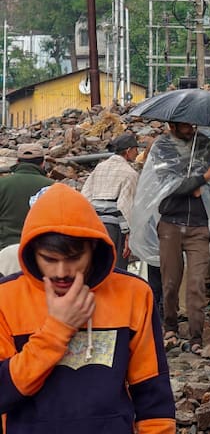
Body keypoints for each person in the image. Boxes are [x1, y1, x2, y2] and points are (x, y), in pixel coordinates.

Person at [0, 183, 175, 433]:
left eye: (73, 258)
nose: (62, 272)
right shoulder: (6, 298)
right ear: (31, 252)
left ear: (93, 248)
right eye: (49, 259)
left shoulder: (133, 294)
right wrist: (57, 329)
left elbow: (151, 391)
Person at [129, 121, 210, 353]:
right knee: (170, 282)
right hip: (170, 225)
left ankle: (196, 338)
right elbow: (168, 186)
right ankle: (170, 327)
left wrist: (205, 180)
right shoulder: (162, 147)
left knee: (196, 284)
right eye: (185, 123)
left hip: (198, 226)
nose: (191, 127)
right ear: (173, 124)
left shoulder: (204, 145)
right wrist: (201, 179)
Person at [80, 133, 140, 271]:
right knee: (115, 268)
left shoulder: (100, 168)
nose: (137, 153)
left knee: (96, 267)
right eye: (136, 149)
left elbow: (85, 195)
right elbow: (125, 206)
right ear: (128, 150)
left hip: (94, 224)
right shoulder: (129, 173)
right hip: (115, 227)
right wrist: (128, 235)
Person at [0, 143, 54, 250]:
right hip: (39, 251)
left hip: (5, 248)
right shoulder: (53, 186)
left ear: (17, 162)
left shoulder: (2, 183)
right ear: (43, 163)